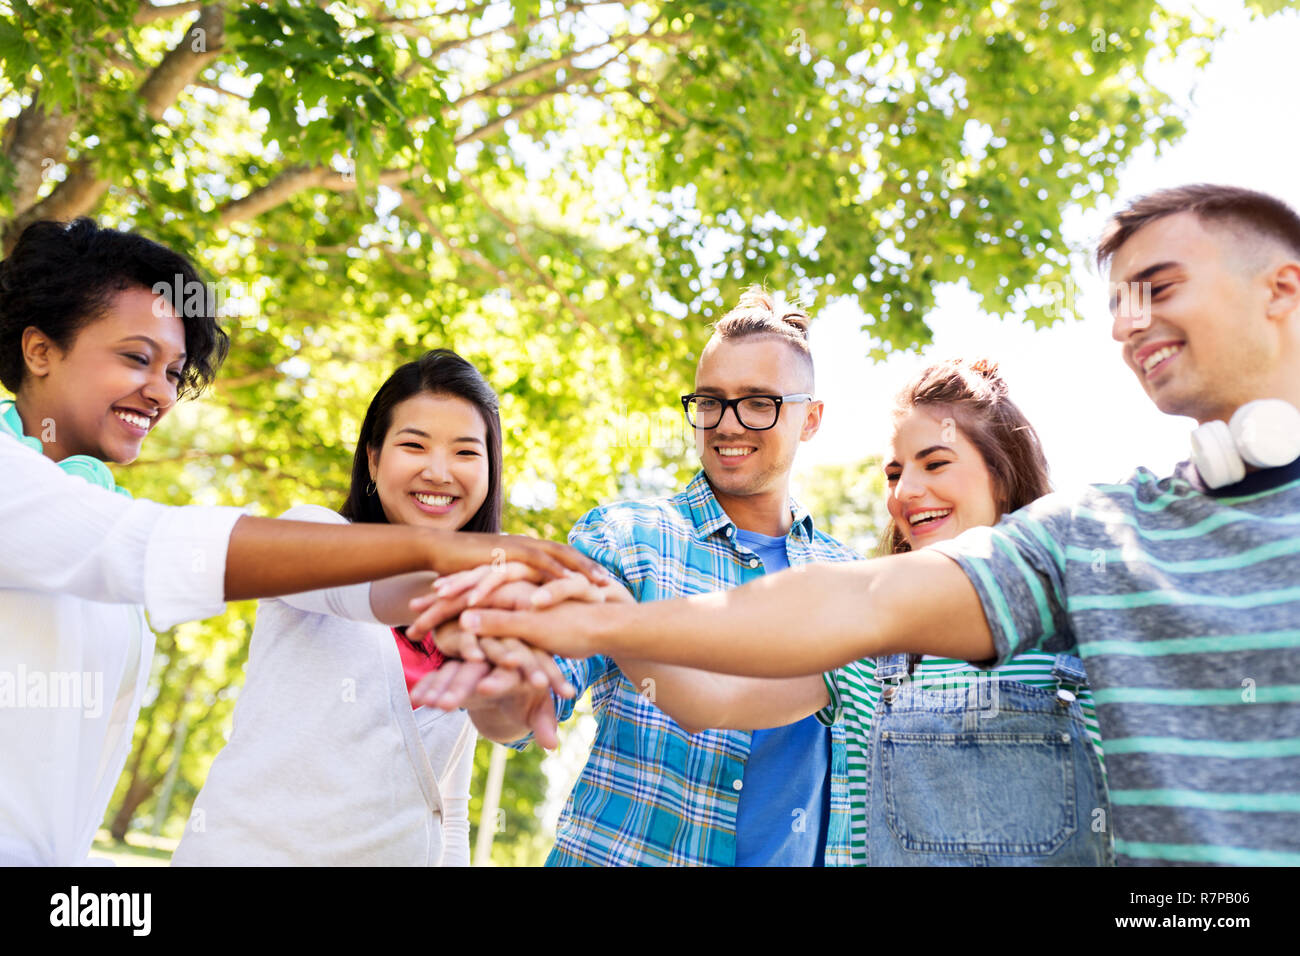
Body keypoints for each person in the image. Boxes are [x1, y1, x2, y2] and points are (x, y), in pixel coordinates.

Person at [434, 183, 1300, 866]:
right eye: (895, 471)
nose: (1127, 323)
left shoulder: (1070, 616)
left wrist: (605, 620)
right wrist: (585, 616)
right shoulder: (1080, 548)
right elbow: (734, 680)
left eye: (1160, 288)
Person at [0, 218, 603, 866]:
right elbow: (159, 544)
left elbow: (448, 799)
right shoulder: (23, 485)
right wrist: (450, 557)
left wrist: (488, 617)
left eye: (175, 371)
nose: (161, 391)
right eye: (136, 358)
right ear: (40, 350)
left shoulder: (89, 504)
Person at [427, 358, 1114, 866]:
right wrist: (603, 610)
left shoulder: (1081, 612)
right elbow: (711, 699)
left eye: (935, 463)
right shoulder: (871, 648)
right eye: (896, 473)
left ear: (1004, 470)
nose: (908, 492)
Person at [428, 288, 862, 866]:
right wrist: (497, 674)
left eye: (759, 403)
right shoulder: (625, 540)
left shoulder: (852, 582)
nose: (727, 424)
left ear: (811, 418)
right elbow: (523, 710)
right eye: (710, 401)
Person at [172, 350, 591, 866]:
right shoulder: (312, 533)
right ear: (373, 458)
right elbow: (371, 584)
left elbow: (448, 807)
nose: (439, 472)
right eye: (414, 445)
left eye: (466, 452)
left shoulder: (474, 621)